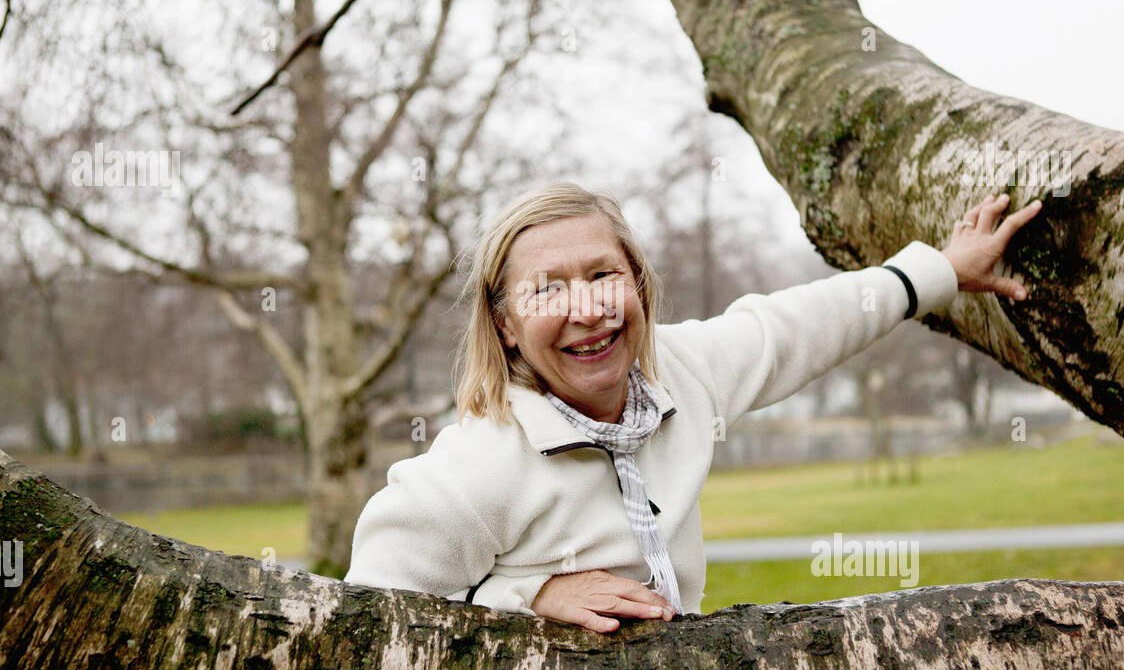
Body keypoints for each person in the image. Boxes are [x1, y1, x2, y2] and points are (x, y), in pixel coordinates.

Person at [344, 181, 1041, 633]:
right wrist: (527, 600)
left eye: (602, 276)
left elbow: (799, 325)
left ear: (639, 288)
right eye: (547, 290)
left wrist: (943, 270)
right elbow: (370, 629)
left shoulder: (683, 373)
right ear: (505, 325)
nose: (587, 310)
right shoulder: (472, 470)